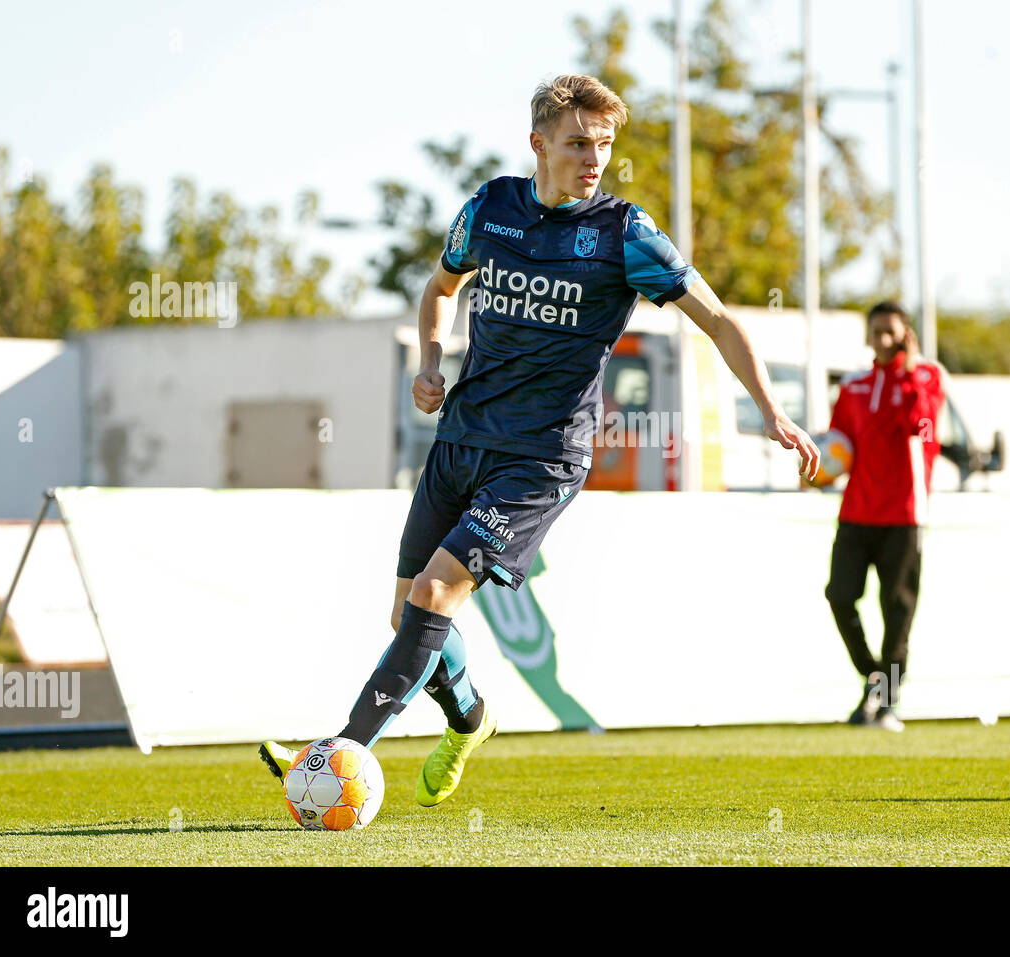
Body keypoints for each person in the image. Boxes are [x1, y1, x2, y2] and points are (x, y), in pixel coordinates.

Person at [259, 74, 818, 804]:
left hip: (542, 456)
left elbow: (716, 319)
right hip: (462, 435)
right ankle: (471, 716)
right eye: (580, 143)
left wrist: (771, 410)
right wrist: (429, 364)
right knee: (409, 617)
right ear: (539, 144)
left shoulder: (626, 234)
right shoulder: (490, 209)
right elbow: (439, 289)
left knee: (433, 593)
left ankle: (336, 754)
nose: (595, 158)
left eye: (605, 145)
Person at [823, 302, 944, 732]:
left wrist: (909, 370)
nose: (883, 339)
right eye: (876, 332)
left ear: (906, 334)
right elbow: (839, 446)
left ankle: (888, 704)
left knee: (897, 611)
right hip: (856, 513)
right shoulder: (853, 386)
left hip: (905, 514)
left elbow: (921, 426)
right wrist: (819, 470)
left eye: (891, 332)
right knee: (839, 595)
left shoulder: (927, 378)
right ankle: (875, 679)